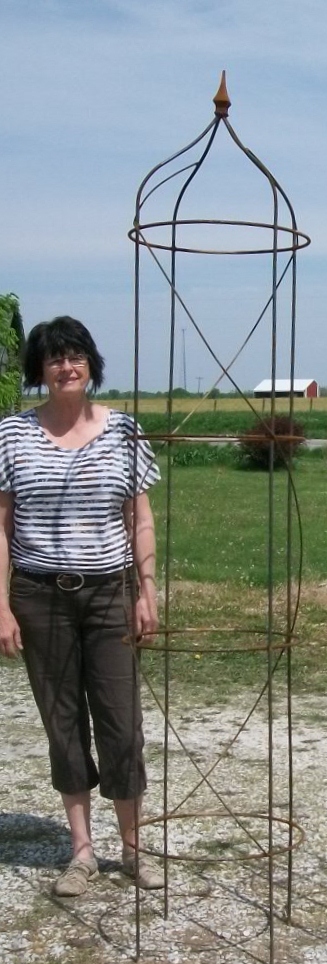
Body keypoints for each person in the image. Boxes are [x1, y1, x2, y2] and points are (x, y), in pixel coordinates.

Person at [0, 316, 164, 897]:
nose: (66, 367)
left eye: (75, 357)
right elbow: (1, 526)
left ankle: (134, 849)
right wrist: (2, 605)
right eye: (53, 359)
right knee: (62, 722)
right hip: (40, 596)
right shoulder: (12, 435)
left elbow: (139, 518)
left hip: (109, 593)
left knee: (121, 723)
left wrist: (147, 593)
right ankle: (82, 853)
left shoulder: (125, 431)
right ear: (39, 372)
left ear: (91, 364)